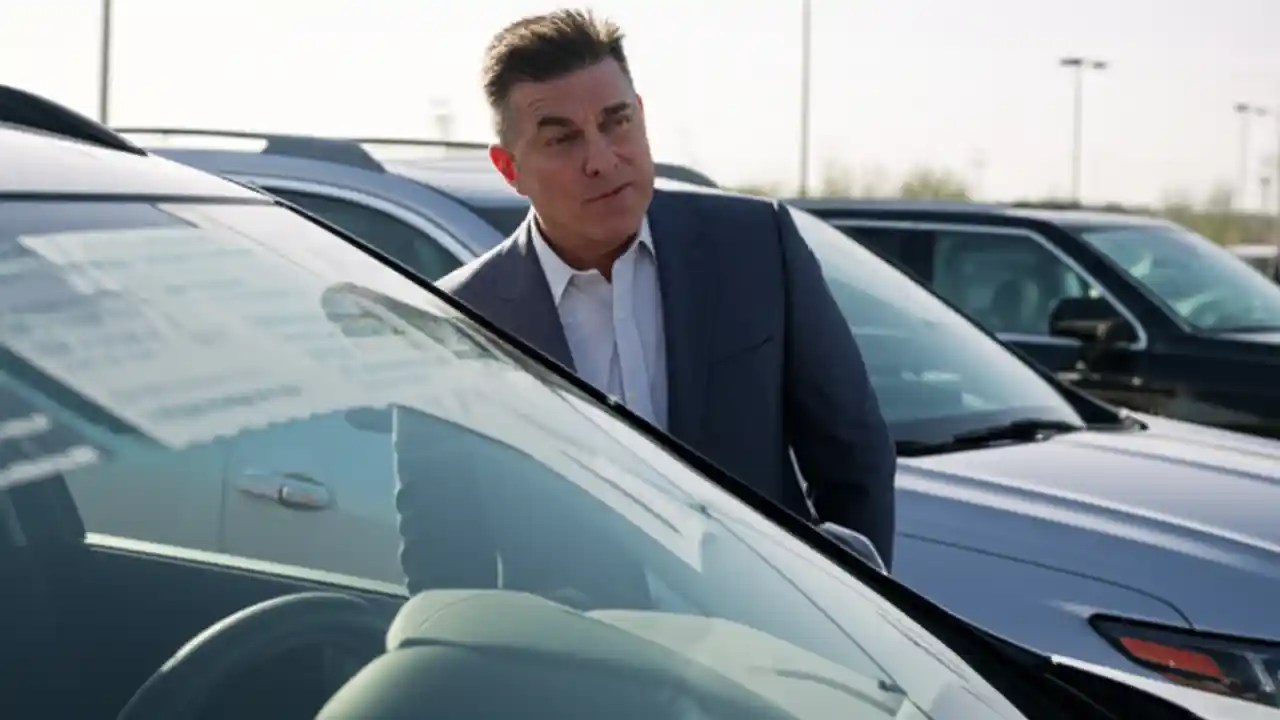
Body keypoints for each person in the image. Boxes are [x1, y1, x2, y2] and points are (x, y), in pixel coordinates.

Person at [437, 9, 898, 567]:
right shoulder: (461, 321)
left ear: (642, 115)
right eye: (563, 140)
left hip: (766, 637)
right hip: (569, 644)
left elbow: (854, 456)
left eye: (616, 122)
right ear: (509, 168)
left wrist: (859, 623)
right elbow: (444, 536)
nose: (603, 160)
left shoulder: (756, 248)